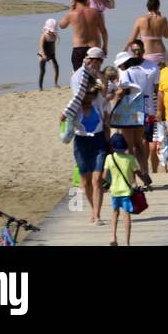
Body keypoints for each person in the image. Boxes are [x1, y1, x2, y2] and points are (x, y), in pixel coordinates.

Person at [61, 47, 108, 225]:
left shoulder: (98, 100)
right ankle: (92, 210)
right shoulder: (76, 102)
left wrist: (100, 78)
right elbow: (75, 97)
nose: (98, 63)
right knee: (85, 181)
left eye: (100, 61)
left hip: (98, 140)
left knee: (97, 180)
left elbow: (104, 94)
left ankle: (97, 215)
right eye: (95, 60)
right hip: (81, 141)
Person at [108, 50, 155, 183]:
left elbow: (123, 91)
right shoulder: (141, 71)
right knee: (139, 144)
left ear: (122, 63)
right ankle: (145, 171)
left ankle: (133, 179)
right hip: (141, 108)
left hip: (127, 110)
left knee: (129, 146)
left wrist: (113, 107)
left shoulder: (124, 73)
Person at [103, 132, 145, 246]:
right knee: (126, 216)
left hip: (115, 191)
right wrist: (147, 183)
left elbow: (104, 176)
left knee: (114, 213)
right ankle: (127, 242)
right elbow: (138, 173)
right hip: (126, 192)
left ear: (112, 146)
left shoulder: (109, 158)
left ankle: (113, 236)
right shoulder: (130, 158)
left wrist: (109, 183)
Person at [60, 0, 108, 71]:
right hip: (94, 48)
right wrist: (105, 47)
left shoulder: (72, 14)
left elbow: (62, 25)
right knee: (94, 77)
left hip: (79, 48)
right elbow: (104, 32)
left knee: (79, 76)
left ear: (75, 1)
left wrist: (71, 8)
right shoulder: (95, 13)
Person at [124, 0, 168, 64]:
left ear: (147, 6)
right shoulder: (163, 19)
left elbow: (132, 39)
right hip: (161, 53)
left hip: (147, 53)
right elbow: (167, 35)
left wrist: (124, 49)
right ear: (158, 6)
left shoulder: (140, 20)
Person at [38, 18, 60, 89]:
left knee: (56, 67)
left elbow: (53, 46)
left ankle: (55, 83)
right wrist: (43, 55)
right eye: (51, 30)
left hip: (51, 54)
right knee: (43, 71)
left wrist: (53, 54)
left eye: (53, 31)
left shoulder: (54, 36)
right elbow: (41, 46)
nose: (52, 32)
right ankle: (40, 87)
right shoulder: (44, 36)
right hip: (42, 55)